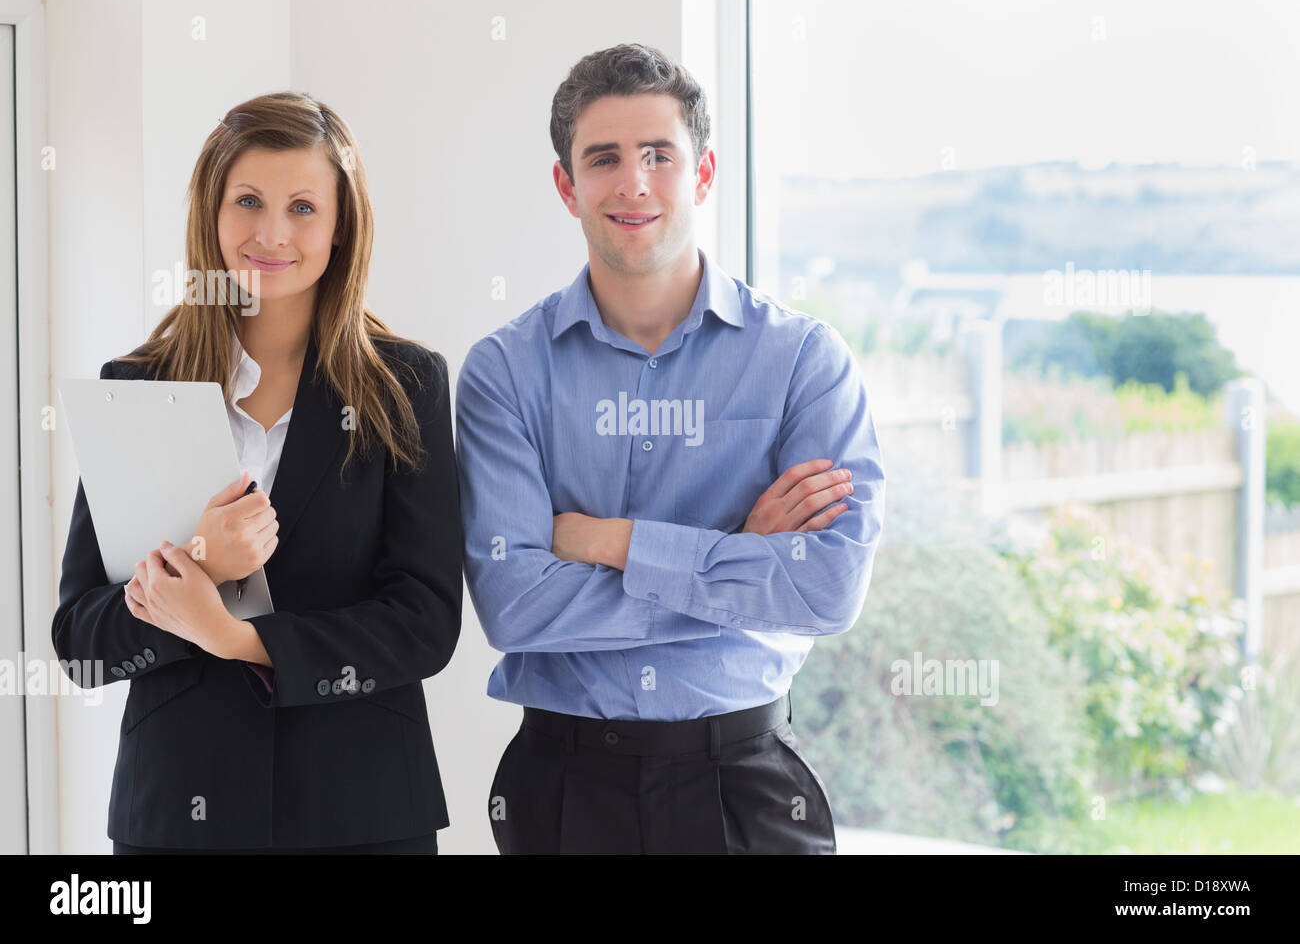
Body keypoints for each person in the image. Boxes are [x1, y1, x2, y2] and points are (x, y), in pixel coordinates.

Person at [456, 44, 886, 854]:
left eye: (660, 155)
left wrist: (606, 541)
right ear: (566, 185)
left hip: (745, 782)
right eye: (604, 158)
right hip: (561, 786)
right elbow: (515, 605)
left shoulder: (803, 361)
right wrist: (737, 559)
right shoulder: (506, 371)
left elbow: (827, 589)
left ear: (705, 171)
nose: (634, 183)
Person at [52, 92, 462, 854]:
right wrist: (199, 564)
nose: (272, 233)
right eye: (248, 201)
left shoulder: (407, 386)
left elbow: (425, 624)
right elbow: (81, 640)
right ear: (212, 214)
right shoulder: (138, 387)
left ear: (341, 227)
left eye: (303, 207)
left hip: (362, 817)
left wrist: (239, 637)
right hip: (176, 815)